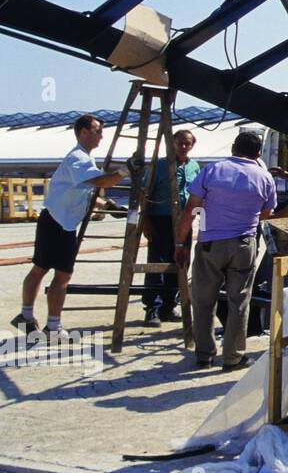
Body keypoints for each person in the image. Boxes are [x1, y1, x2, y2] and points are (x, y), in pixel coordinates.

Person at [12, 115, 127, 338]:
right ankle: (51, 326)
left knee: (42, 269)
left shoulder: (83, 159)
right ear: (84, 132)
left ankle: (28, 316)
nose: (101, 136)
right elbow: (100, 182)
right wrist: (124, 172)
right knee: (61, 274)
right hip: (58, 222)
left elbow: (80, 189)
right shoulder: (78, 158)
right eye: (97, 131)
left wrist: (108, 205)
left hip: (58, 220)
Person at [175, 130, 277, 370]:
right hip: (244, 244)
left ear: (233, 148)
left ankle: (204, 354)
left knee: (203, 301)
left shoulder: (212, 170)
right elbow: (267, 213)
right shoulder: (264, 177)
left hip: (210, 243)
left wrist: (180, 244)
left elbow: (192, 208)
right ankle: (233, 357)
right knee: (239, 302)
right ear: (258, 153)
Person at [139, 129, 199, 326]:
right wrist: (146, 221)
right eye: (180, 142)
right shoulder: (159, 166)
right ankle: (152, 308)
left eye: (187, 143)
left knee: (181, 262)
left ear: (192, 146)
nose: (183, 146)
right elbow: (144, 194)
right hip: (160, 219)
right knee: (157, 263)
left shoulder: (194, 167)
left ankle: (168, 305)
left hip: (184, 221)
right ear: (172, 143)